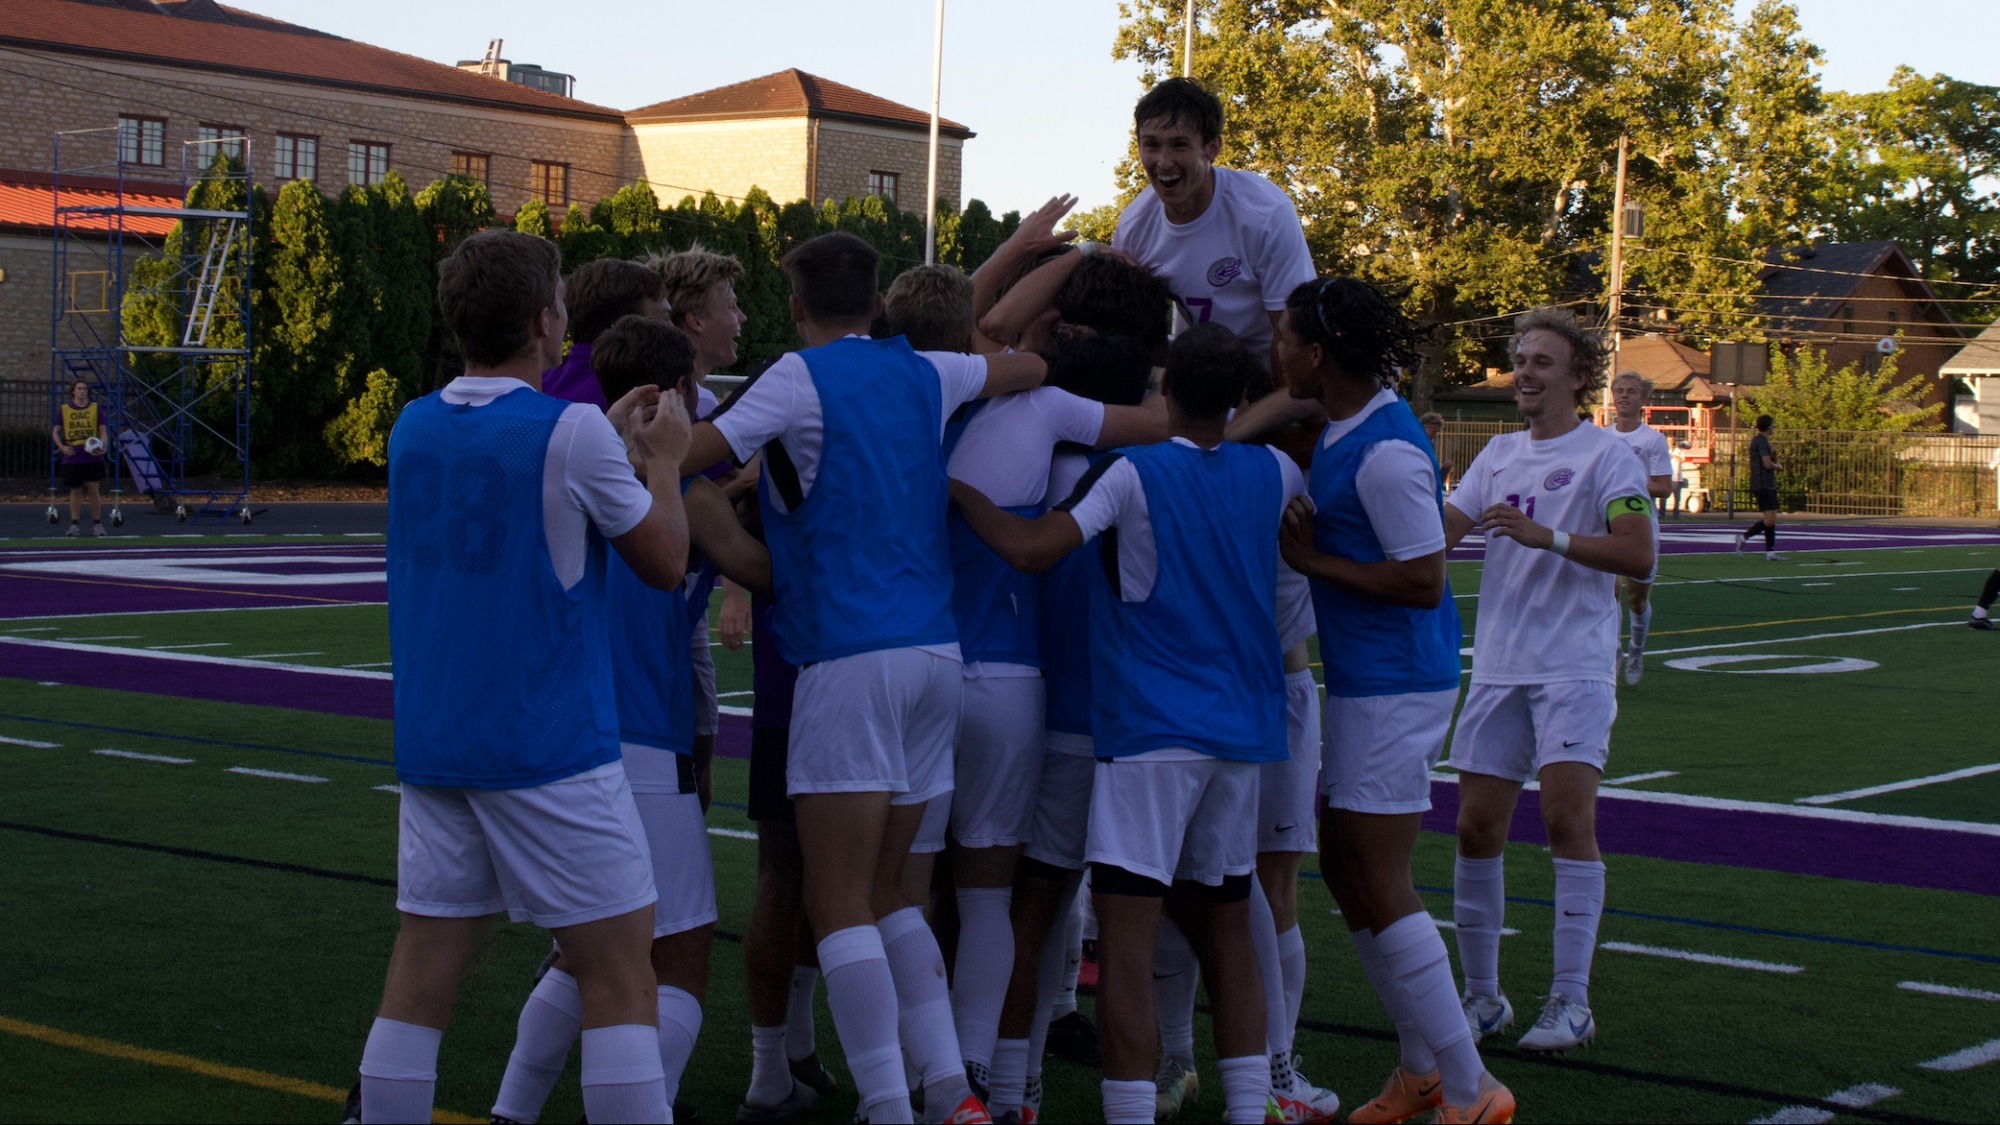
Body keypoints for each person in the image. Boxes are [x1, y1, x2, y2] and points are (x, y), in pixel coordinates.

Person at [678, 232, 1047, 1125]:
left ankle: (887, 1101)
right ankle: (948, 1090)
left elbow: (693, 451)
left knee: (836, 895)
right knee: (895, 896)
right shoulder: (929, 372)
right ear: (879, 305)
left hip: (848, 657)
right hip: (937, 655)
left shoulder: (795, 377)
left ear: (795, 307)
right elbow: (1027, 367)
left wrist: (661, 449)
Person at [358, 229, 692, 1125]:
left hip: (438, 742)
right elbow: (664, 561)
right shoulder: (569, 431)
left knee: (422, 973)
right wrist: (662, 462)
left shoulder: (413, 424)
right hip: (548, 744)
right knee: (621, 974)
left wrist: (607, 441)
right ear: (545, 320)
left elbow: (528, 477)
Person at [953, 323, 1299, 1125]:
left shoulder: (1127, 472)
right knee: (1226, 929)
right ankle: (1252, 1106)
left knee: (1111, 934)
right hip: (1241, 729)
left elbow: (1034, 549)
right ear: (1239, 398)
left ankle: (1025, 1094)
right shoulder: (1276, 470)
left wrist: (958, 492)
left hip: (1140, 728)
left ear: (1166, 391)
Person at [885, 263, 1168, 1116]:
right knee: (992, 896)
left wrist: (1038, 259)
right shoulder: (1048, 409)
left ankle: (911, 1078)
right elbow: (1170, 419)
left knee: (902, 898)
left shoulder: (906, 405)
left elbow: (982, 321)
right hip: (1015, 681)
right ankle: (976, 1076)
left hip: (918, 663)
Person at [489, 314, 772, 1124]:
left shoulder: (566, 464)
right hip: (645, 742)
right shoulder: (685, 493)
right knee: (677, 959)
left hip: (564, 735)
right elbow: (763, 570)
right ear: (674, 392)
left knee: (582, 952)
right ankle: (646, 1105)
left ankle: (513, 1108)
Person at [1265, 277, 1513, 1125]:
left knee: (1378, 872)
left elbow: (1422, 579)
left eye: (1286, 338)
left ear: (1318, 353)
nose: (1277, 352)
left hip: (1397, 682)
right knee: (1345, 864)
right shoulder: (1346, 425)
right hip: (1371, 679)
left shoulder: (1386, 453)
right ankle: (1423, 1067)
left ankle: (1471, 1085)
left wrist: (1314, 563)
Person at [1441, 307, 1655, 1059]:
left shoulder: (1608, 457)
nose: (1524, 373)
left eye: (1541, 362)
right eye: (1521, 360)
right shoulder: (1496, 454)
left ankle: (1571, 1000)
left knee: (1567, 821)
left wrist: (1549, 537)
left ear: (1577, 375)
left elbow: (1639, 554)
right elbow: (1437, 536)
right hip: (1500, 665)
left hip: (1573, 666)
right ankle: (1482, 997)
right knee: (1475, 828)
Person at [1111, 77, 1316, 386]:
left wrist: (1272, 408)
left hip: (1274, 376)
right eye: (1151, 145)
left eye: (1179, 145)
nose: (1163, 162)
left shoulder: (1265, 214)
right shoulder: (1134, 227)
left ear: (1212, 148)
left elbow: (1291, 335)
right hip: (1202, 381)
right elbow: (1130, 331)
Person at [1608, 373, 1675, 685]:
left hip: (1641, 524)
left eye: (1631, 391)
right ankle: (1613, 652)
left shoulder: (1652, 440)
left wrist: (1630, 485)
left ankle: (1636, 648)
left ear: (1642, 399)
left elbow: (1664, 487)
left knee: (1637, 599)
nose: (1624, 396)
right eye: (1619, 390)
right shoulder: (1601, 438)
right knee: (1608, 593)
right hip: (1607, 524)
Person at [542, 258, 671, 409]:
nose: (674, 329)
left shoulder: (536, 388)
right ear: (625, 326)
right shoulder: (648, 397)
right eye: (665, 318)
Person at [52, 379, 108, 537]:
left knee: (93, 490)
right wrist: (61, 447)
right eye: (79, 388)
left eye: (84, 389)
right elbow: (55, 431)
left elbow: (103, 431)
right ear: (73, 391)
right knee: (75, 491)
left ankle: (97, 524)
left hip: (92, 456)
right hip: (73, 455)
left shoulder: (96, 409)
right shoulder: (64, 410)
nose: (82, 391)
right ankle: (74, 524)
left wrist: (103, 447)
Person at [1737, 414, 1781, 560]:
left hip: (1766, 483)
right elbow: (1767, 464)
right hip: (1762, 484)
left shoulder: (1762, 442)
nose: (1773, 427)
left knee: (1771, 518)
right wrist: (1778, 466)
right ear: (1768, 426)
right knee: (1770, 519)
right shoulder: (1761, 442)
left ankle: (1770, 552)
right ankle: (1743, 537)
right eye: (1772, 425)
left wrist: (1773, 453)